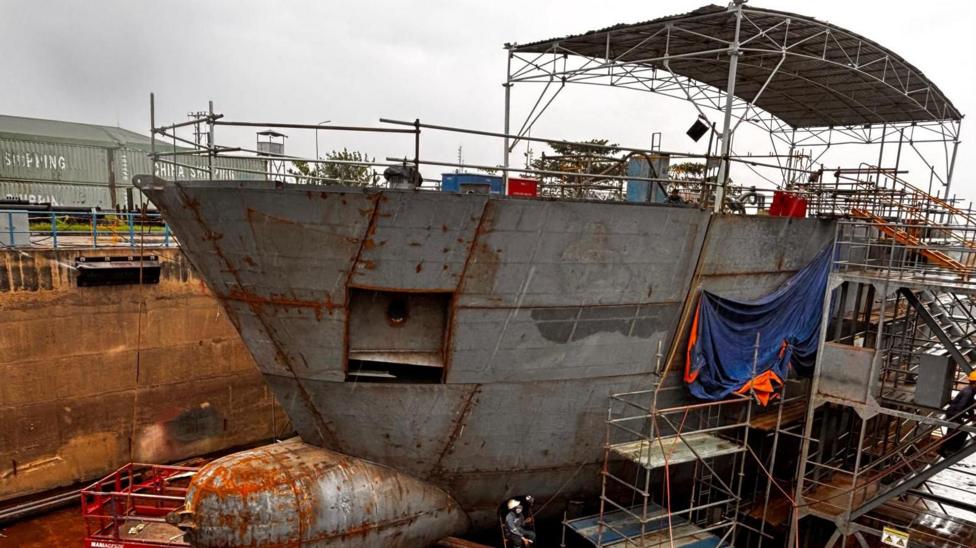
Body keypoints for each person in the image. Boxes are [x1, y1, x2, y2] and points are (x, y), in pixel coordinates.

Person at [940, 371, 976, 458]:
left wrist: (971, 414)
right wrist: (967, 416)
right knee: (961, 432)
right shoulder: (968, 392)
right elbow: (961, 406)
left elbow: (969, 403)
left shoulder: (971, 390)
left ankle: (943, 450)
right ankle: (951, 450)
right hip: (954, 414)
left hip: (954, 413)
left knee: (952, 432)